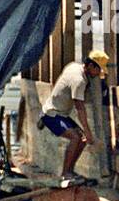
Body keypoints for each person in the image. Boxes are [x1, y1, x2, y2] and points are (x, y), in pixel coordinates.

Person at [39, 51, 108, 185]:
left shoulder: (74, 66)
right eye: (98, 70)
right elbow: (80, 108)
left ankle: (70, 171)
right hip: (51, 114)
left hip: (61, 113)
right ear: (90, 66)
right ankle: (65, 174)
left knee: (81, 139)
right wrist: (88, 132)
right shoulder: (79, 80)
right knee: (77, 138)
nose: (98, 74)